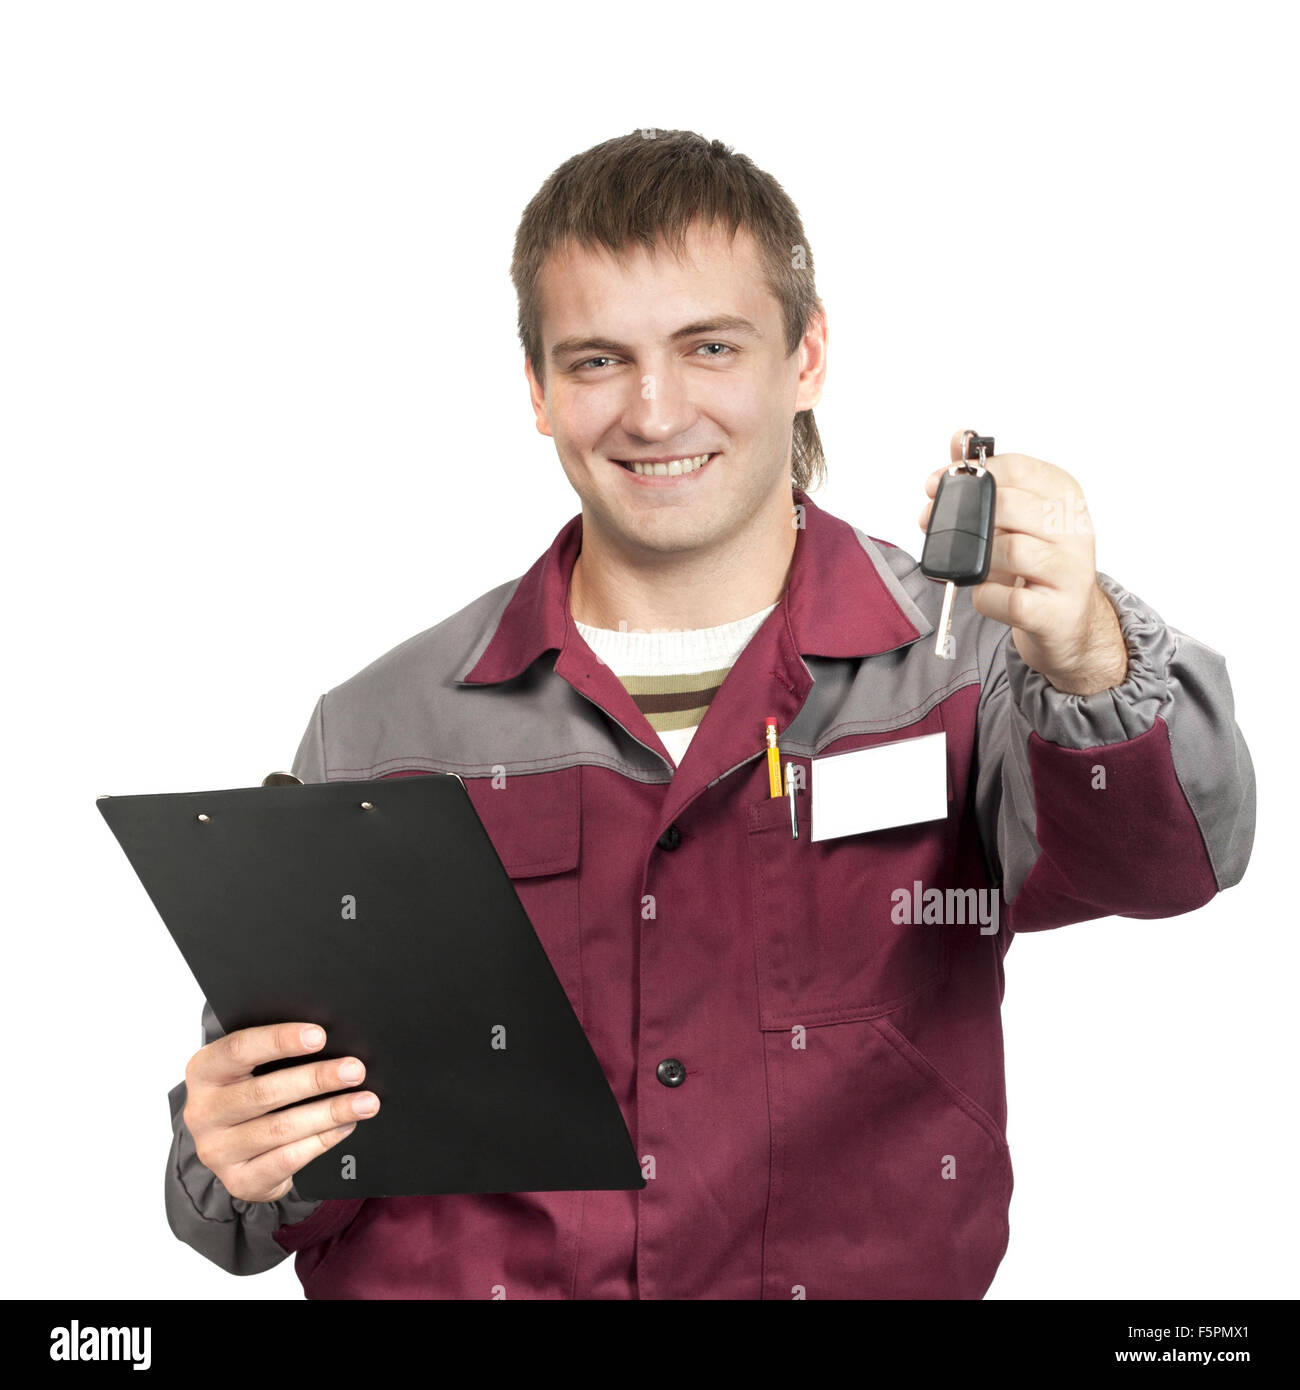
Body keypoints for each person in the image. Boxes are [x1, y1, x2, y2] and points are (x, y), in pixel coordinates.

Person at [165, 129, 1255, 1299]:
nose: (653, 409)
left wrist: (1088, 650)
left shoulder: (964, 668)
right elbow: (244, 1189)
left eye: (709, 346)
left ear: (808, 354)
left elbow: (1171, 863)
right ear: (535, 388)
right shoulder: (380, 728)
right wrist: (237, 1154)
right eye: (595, 361)